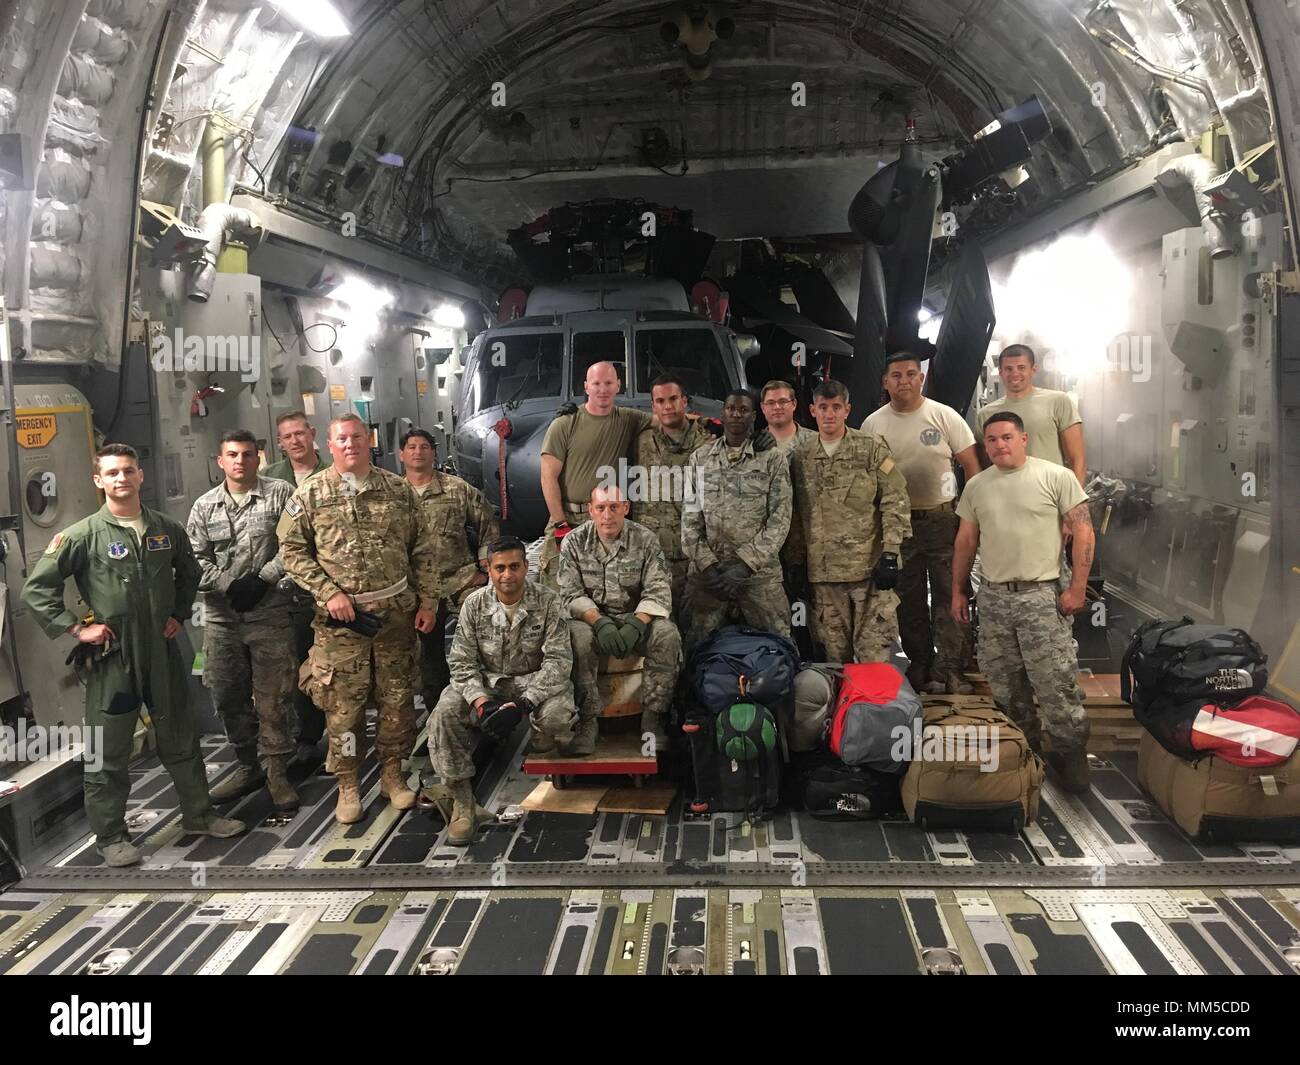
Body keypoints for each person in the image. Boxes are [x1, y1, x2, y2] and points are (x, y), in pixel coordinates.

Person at [21, 444, 246, 867]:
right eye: (112, 473)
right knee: (108, 749)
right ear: (98, 481)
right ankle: (111, 837)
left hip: (159, 651)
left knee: (179, 734)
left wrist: (179, 612)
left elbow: (191, 570)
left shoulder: (165, 528)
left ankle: (199, 815)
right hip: (114, 657)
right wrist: (76, 627)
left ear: (140, 476)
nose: (121, 479)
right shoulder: (82, 535)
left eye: (128, 471)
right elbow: (37, 589)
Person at [278, 413, 441, 824]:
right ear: (329, 446)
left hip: (395, 619)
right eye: (341, 439)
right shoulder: (311, 494)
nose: (349, 444)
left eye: (356, 437)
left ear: (370, 442)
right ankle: (348, 785)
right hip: (340, 626)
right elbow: (292, 553)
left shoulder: (398, 490)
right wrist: (328, 592)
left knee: (397, 702)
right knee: (343, 710)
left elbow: (423, 549)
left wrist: (428, 602)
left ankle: (392, 775)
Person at [952, 411, 1095, 792]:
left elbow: (1083, 530)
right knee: (1006, 688)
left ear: (1024, 438)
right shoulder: (978, 486)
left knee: (1056, 685)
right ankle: (1026, 756)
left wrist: (1078, 587)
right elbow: (966, 541)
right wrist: (958, 590)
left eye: (1006, 437)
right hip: (995, 599)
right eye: (992, 440)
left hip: (1041, 598)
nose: (999, 445)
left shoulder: (1055, 477)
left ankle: (1070, 758)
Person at [429, 537, 578, 845]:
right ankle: (462, 802)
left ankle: (543, 738)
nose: (507, 575)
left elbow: (559, 663)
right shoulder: (474, 604)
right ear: (489, 569)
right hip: (488, 685)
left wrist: (525, 704)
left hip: (531, 683)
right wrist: (481, 704)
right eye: (500, 568)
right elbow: (460, 663)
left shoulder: (548, 601)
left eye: (514, 567)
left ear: (526, 567)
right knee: (444, 712)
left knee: (558, 716)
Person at [186, 429, 298, 811]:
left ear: (258, 458)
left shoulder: (282, 494)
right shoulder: (204, 507)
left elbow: (295, 544)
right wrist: (228, 584)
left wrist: (264, 578)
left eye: (247, 454)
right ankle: (249, 765)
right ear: (220, 461)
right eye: (232, 454)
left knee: (274, 698)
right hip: (221, 619)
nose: (239, 461)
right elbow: (194, 558)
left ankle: (278, 773)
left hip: (268, 613)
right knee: (227, 694)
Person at [864, 353, 981, 693]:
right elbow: (869, 475)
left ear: (921, 379)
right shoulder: (873, 424)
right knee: (908, 597)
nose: (904, 381)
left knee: (952, 593)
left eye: (912, 374)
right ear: (885, 382)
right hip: (899, 526)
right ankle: (920, 663)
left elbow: (972, 467)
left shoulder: (943, 416)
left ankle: (950, 669)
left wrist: (969, 517)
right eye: (897, 375)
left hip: (943, 521)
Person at [787, 380, 911, 663]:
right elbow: (795, 513)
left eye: (836, 407)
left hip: (869, 573)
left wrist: (891, 553)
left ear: (847, 410)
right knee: (834, 659)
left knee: (874, 658)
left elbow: (896, 496)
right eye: (823, 407)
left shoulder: (872, 448)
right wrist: (795, 560)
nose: (829, 414)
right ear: (812, 411)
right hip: (824, 575)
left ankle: (874, 708)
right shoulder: (800, 456)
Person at [558, 485, 680, 751]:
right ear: (590, 511)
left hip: (636, 618)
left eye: (614, 507)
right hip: (593, 622)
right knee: (576, 638)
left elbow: (658, 587)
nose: (607, 515)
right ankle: (587, 721)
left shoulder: (645, 539)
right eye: (600, 508)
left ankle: (653, 719)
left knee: (667, 635)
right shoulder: (574, 542)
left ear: (626, 508)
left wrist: (637, 624)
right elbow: (569, 594)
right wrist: (599, 622)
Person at [399, 428, 499, 711]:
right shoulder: (393, 494)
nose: (418, 452)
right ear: (402, 454)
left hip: (459, 581)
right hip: (416, 590)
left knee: (477, 646)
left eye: (425, 446)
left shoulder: (457, 489)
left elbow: (487, 525)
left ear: (434, 452)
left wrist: (484, 565)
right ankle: (439, 715)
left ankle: (483, 706)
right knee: (427, 659)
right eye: (412, 447)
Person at [683, 388, 792, 646]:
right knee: (696, 651)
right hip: (709, 578)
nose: (736, 415)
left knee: (778, 647)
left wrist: (744, 566)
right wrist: (707, 567)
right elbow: (689, 518)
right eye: (731, 409)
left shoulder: (772, 459)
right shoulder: (700, 458)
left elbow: (780, 518)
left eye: (743, 410)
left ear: (753, 416)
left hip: (758, 578)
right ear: (723, 413)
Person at [539, 361, 652, 584]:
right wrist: (561, 524)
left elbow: (668, 420)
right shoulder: (565, 424)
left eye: (608, 383)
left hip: (605, 518)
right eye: (596, 383)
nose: (603, 389)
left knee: (603, 585)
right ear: (586, 387)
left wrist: (709, 423)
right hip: (568, 516)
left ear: (618, 385)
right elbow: (547, 476)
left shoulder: (628, 419)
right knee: (555, 585)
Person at [263, 410, 330, 763]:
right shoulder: (271, 480)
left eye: (300, 434)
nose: (294, 441)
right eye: (287, 436)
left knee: (329, 665)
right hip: (287, 588)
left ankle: (338, 736)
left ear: (312, 434)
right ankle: (304, 738)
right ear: (280, 442)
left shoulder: (334, 475)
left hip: (329, 586)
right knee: (293, 662)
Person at [634, 373, 713, 623]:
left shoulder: (708, 441)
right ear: (653, 406)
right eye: (660, 401)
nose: (667, 406)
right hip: (653, 554)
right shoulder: (641, 441)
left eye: (673, 399)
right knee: (659, 625)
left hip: (694, 554)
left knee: (696, 627)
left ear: (685, 401)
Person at [976, 345, 1085, 486]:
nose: (1015, 373)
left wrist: (1076, 500)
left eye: (1021, 368)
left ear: (1033, 370)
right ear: (1000, 372)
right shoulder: (986, 414)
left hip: (1050, 494)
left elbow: (1077, 459)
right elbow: (983, 465)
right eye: (1009, 369)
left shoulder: (1058, 401)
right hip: (1005, 495)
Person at [759, 380, 816, 454]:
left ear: (794, 404)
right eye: (770, 403)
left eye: (782, 401)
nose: (777, 407)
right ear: (763, 407)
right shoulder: (751, 446)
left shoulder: (816, 441)